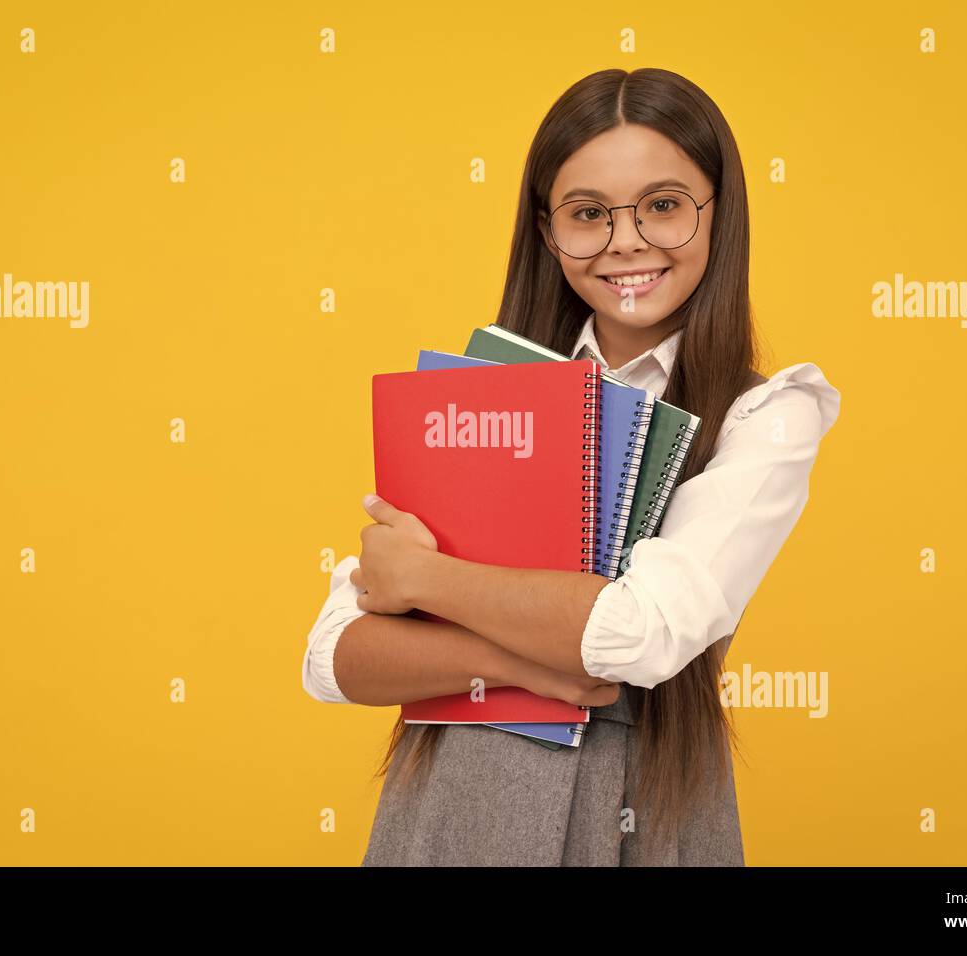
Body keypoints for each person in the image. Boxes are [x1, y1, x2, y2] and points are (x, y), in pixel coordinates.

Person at [302, 67, 841, 865]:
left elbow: (642, 633)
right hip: (453, 805)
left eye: (664, 205)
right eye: (589, 214)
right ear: (549, 232)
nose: (626, 241)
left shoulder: (767, 414)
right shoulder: (480, 394)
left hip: (642, 809)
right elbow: (331, 657)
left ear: (720, 215)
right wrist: (510, 659)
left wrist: (424, 583)